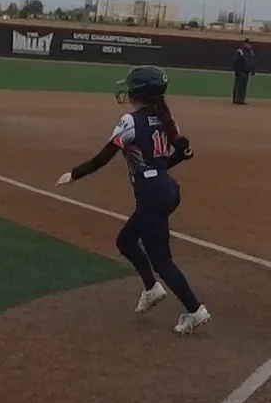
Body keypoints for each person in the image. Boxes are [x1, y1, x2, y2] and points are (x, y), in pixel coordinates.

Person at [54, 65, 210, 334]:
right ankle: (151, 288)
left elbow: (104, 156)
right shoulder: (165, 120)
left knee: (162, 261)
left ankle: (195, 310)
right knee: (125, 241)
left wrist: (75, 174)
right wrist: (181, 154)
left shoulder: (130, 121)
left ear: (139, 91)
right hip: (165, 189)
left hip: (152, 194)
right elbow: (168, 160)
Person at [232, 40, 258, 105]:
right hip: (240, 71)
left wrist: (253, 70)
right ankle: (236, 99)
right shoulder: (240, 51)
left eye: (250, 44)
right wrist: (237, 71)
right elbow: (236, 61)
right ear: (245, 44)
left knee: (244, 86)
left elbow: (252, 62)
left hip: (247, 71)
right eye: (248, 44)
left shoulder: (251, 52)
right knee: (238, 85)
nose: (249, 45)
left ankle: (242, 99)